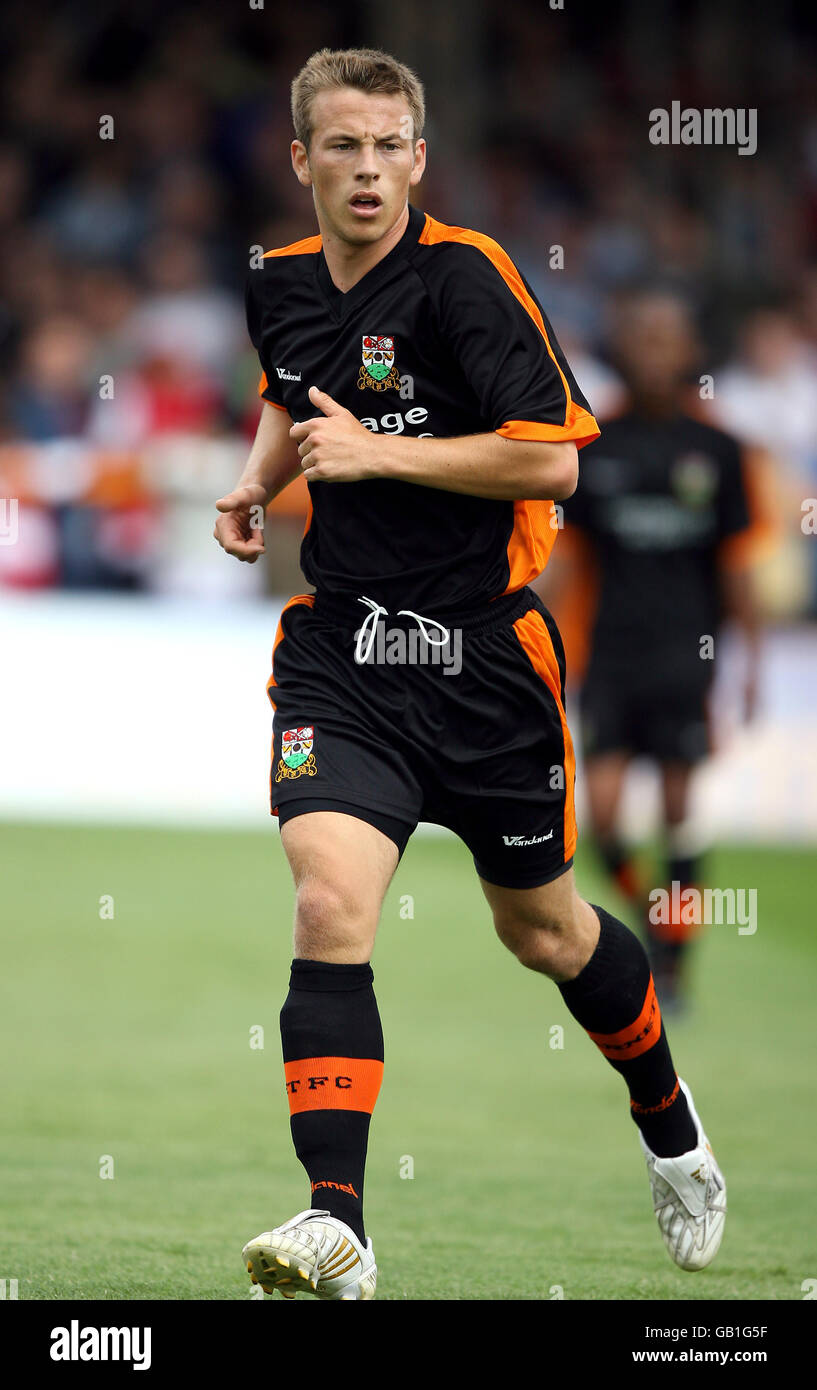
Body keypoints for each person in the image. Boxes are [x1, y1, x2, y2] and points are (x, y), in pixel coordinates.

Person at [213, 47, 726, 1301]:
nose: (369, 169)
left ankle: (669, 1124)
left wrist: (384, 462)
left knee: (540, 928)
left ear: (420, 159)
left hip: (483, 659)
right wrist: (255, 479)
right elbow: (295, 396)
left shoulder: (468, 279)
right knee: (330, 900)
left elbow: (551, 467)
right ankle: (341, 1224)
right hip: (343, 651)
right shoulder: (274, 284)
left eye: (391, 146)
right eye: (344, 146)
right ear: (302, 161)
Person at [539, 289, 761, 1009]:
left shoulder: (719, 451)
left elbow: (736, 568)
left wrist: (751, 667)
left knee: (676, 808)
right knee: (600, 815)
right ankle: (649, 915)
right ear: (621, 348)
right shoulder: (593, 442)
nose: (653, 351)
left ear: (689, 351)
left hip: (685, 658)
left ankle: (675, 958)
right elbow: (564, 560)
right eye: (640, 337)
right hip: (609, 654)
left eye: (666, 338)